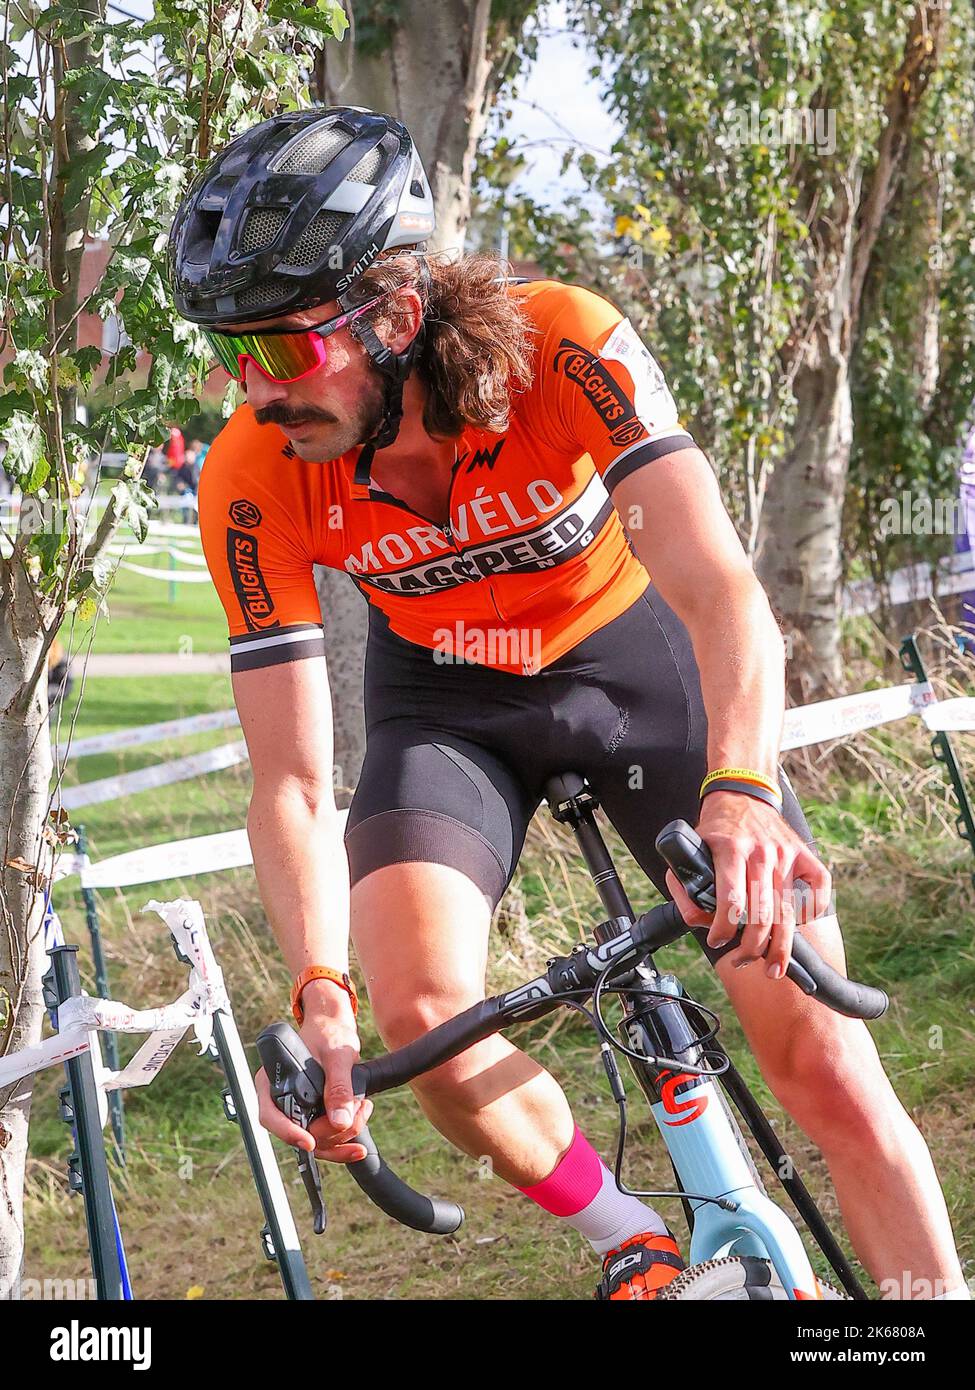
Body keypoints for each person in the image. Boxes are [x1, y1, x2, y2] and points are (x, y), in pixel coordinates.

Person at [169, 106, 968, 1300]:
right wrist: (318, 989)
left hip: (630, 664)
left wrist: (745, 796)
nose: (253, 391)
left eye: (279, 353)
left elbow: (719, 589)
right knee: (421, 1014)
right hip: (444, 704)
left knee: (825, 1062)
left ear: (391, 309)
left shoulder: (565, 344)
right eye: (230, 356)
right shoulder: (249, 473)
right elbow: (288, 779)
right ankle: (633, 1240)